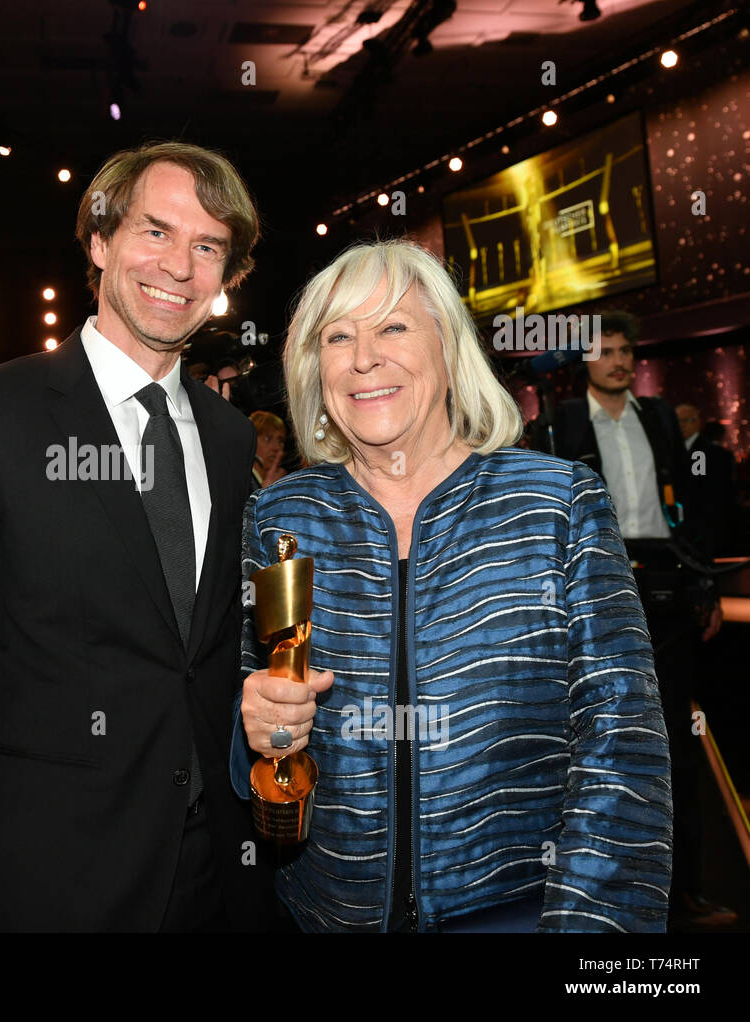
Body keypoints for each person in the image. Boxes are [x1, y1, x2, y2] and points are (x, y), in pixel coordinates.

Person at [0, 140, 276, 931]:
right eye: (156, 232)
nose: (179, 266)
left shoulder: (231, 440)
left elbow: (204, 658)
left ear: (226, 279)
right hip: (52, 885)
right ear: (100, 242)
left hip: (218, 879)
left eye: (208, 247)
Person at [233, 239, 672, 932]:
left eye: (393, 327)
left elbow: (621, 743)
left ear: (449, 350)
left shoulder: (554, 506)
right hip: (323, 914)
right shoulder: (283, 517)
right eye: (337, 336)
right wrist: (255, 732)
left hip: (517, 916)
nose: (362, 357)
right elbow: (252, 700)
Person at [548, 313, 731, 928]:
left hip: (666, 583)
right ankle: (597, 902)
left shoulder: (660, 417)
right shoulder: (562, 422)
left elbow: (691, 506)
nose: (620, 360)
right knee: (595, 745)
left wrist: (701, 584)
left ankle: (686, 895)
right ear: (584, 361)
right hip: (596, 586)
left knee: (676, 744)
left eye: (628, 350)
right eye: (607, 351)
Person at [674, 403, 737, 557]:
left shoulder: (702, 452)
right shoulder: (678, 450)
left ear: (696, 422)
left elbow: (698, 487)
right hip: (688, 526)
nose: (681, 425)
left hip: (702, 528)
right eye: (677, 421)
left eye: (685, 420)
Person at [249, 410, 287, 489]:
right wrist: (268, 489)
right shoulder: (237, 478)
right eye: (267, 438)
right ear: (250, 440)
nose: (276, 447)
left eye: (280, 441)